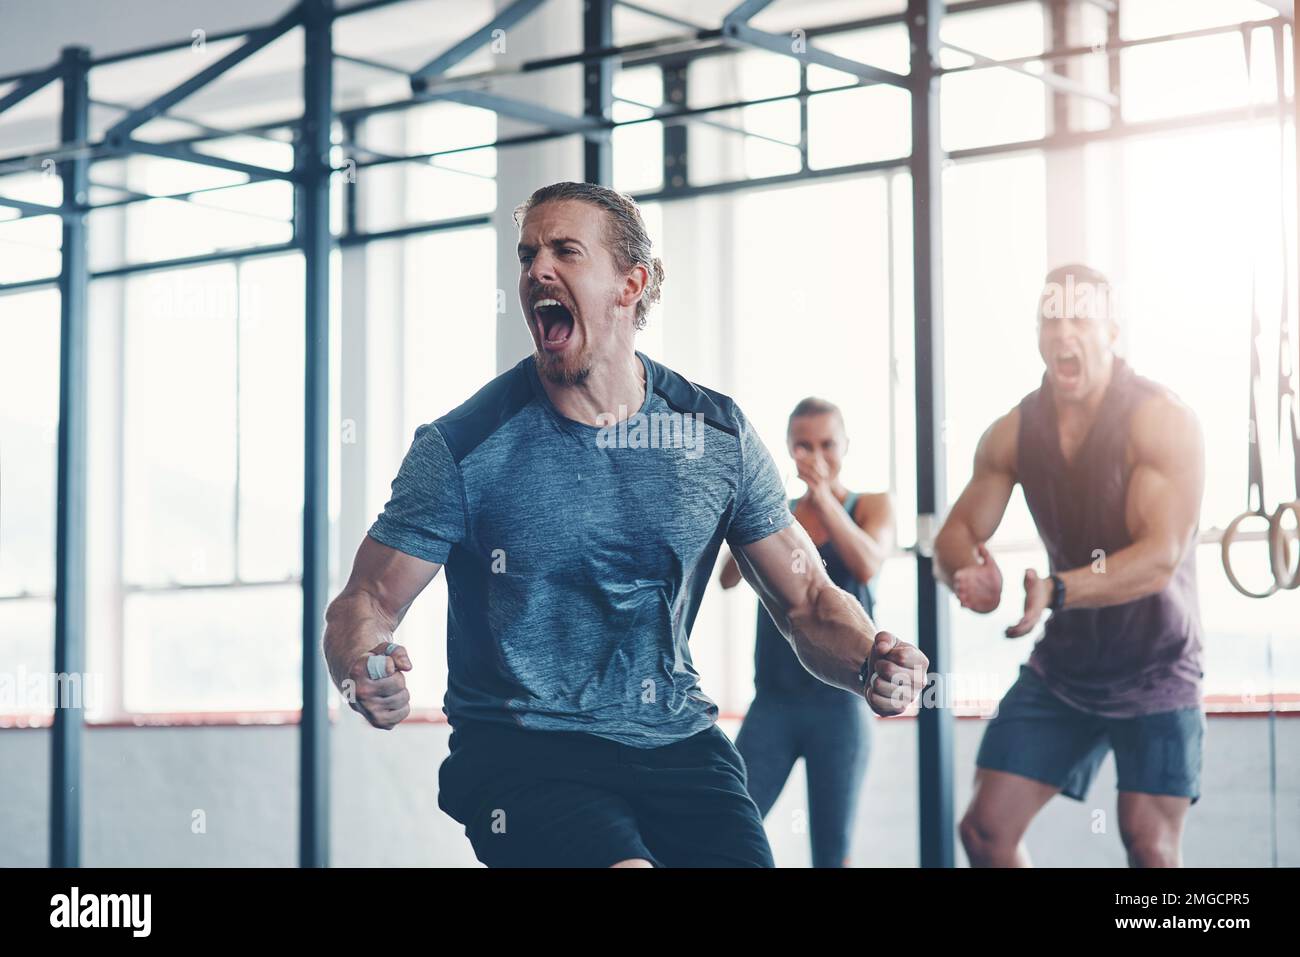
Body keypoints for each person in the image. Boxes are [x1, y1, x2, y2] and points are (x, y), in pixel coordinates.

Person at [322, 181, 927, 868]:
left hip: (674, 738)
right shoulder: (464, 447)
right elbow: (367, 598)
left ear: (630, 284)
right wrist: (363, 661)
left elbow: (810, 601)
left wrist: (870, 657)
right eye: (527, 255)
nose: (536, 270)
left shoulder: (713, 437)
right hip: (522, 749)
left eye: (564, 251)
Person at [934, 264, 1206, 868]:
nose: (1065, 334)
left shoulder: (1160, 419)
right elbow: (954, 535)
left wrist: (1059, 589)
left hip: (1157, 666)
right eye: (1052, 319)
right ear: (1036, 333)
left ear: (1112, 329)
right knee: (984, 831)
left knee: (1149, 843)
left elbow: (1160, 557)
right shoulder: (1012, 432)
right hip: (1066, 670)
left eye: (1081, 318)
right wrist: (964, 573)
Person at [718, 397, 894, 867]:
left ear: (845, 445)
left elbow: (868, 563)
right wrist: (767, 514)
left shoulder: (871, 504)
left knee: (831, 853)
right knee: (725, 825)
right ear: (789, 450)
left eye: (826, 444)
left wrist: (822, 498)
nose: (815, 456)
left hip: (839, 704)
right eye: (803, 446)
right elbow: (728, 577)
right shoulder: (777, 515)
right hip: (774, 703)